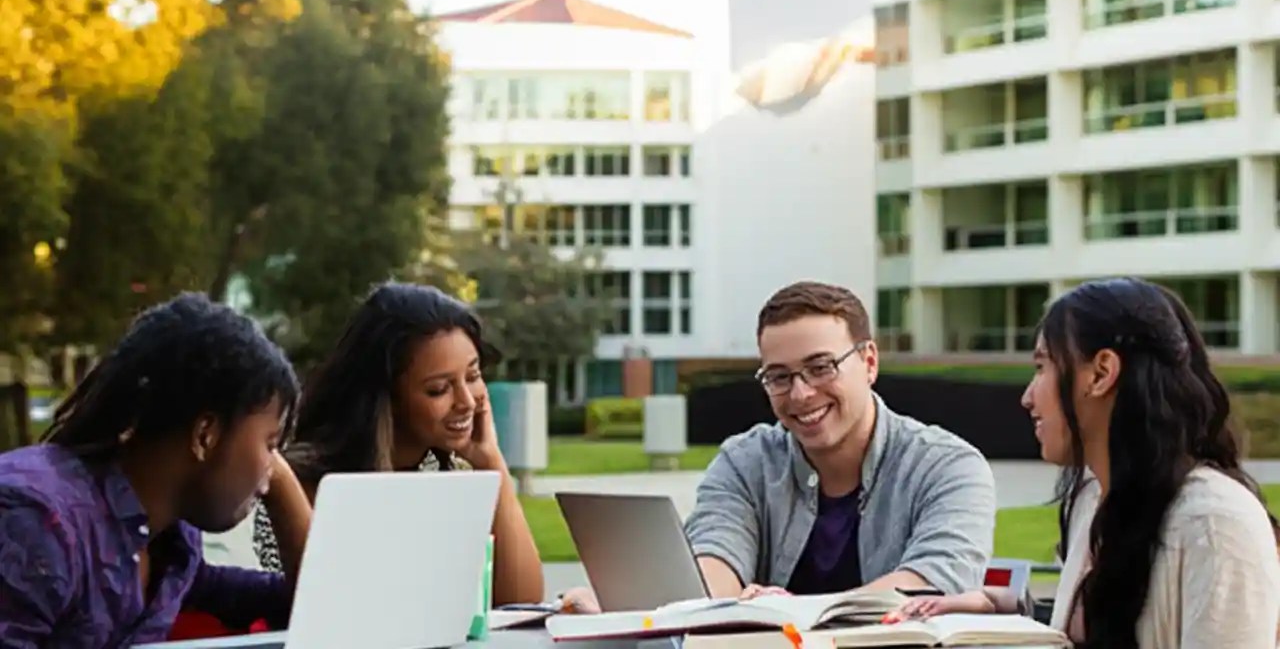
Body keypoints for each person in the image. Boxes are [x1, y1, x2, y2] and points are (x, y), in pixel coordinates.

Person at [888, 278, 1280, 648]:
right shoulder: (1094, 498)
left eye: (1042, 367)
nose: (1027, 397)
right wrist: (1003, 607)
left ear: (1101, 373)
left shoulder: (1214, 524)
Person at [560, 281, 996, 612]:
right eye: (779, 376)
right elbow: (715, 559)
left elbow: (931, 585)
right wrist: (639, 605)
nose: (801, 394)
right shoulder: (745, 461)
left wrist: (791, 612)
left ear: (869, 363)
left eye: (820, 367)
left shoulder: (948, 467)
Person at [0, 293, 312, 647]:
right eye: (271, 445)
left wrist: (282, 488)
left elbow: (316, 602)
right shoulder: (35, 522)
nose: (273, 467)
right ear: (205, 435)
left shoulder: (170, 547)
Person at [251, 282, 544, 605]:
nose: (466, 401)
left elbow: (522, 601)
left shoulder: (452, 473)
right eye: (438, 389)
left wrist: (492, 463)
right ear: (386, 398)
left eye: (472, 377)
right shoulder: (306, 483)